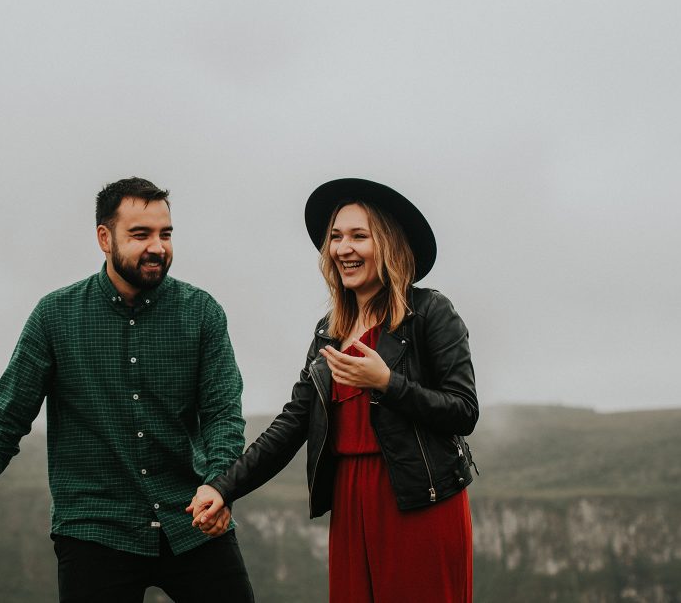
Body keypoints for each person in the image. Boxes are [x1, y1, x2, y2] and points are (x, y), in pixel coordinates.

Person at [0, 177, 254, 603]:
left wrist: (221, 485)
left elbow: (222, 416)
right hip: (95, 529)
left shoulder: (201, 313)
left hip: (193, 518)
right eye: (140, 235)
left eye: (166, 234)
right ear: (105, 238)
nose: (158, 247)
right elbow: (8, 414)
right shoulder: (55, 316)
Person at [187, 178, 477, 603]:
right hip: (350, 499)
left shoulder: (430, 312)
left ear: (390, 245)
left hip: (418, 501)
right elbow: (292, 423)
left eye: (360, 236)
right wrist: (223, 487)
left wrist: (387, 384)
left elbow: (463, 410)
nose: (344, 248)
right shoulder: (330, 333)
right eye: (336, 237)